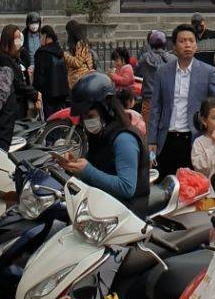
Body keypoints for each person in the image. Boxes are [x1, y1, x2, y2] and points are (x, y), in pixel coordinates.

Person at [56, 72, 151, 211]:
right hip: (106, 206)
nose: (87, 121)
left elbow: (127, 187)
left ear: (107, 109)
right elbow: (101, 168)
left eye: (90, 116)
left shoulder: (124, 139)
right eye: (84, 117)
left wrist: (87, 170)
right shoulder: (101, 134)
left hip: (129, 214)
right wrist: (74, 166)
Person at [146, 24, 215, 176]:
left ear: (196, 45)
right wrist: (152, 141)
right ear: (174, 46)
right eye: (183, 41)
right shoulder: (163, 71)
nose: (187, 45)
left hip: (194, 139)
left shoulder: (208, 72)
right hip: (166, 140)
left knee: (192, 188)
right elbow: (155, 108)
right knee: (166, 187)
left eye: (191, 41)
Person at [0, 25, 38, 114]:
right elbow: (16, 83)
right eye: (16, 38)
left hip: (21, 103)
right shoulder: (4, 59)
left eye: (19, 38)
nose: (18, 41)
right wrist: (35, 94)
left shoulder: (16, 57)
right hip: (12, 107)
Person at [33, 26, 70, 116]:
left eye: (41, 36)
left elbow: (39, 76)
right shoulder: (59, 51)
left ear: (45, 36)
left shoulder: (42, 53)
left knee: (49, 121)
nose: (40, 39)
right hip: (61, 93)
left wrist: (36, 92)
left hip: (48, 94)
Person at [134, 30, 172, 111]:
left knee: (148, 122)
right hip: (167, 98)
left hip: (149, 98)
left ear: (150, 44)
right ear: (165, 44)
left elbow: (136, 72)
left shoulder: (144, 58)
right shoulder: (172, 58)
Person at [64, 19, 94, 90]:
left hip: (80, 78)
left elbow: (78, 62)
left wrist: (64, 54)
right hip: (80, 79)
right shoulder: (81, 42)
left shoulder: (80, 43)